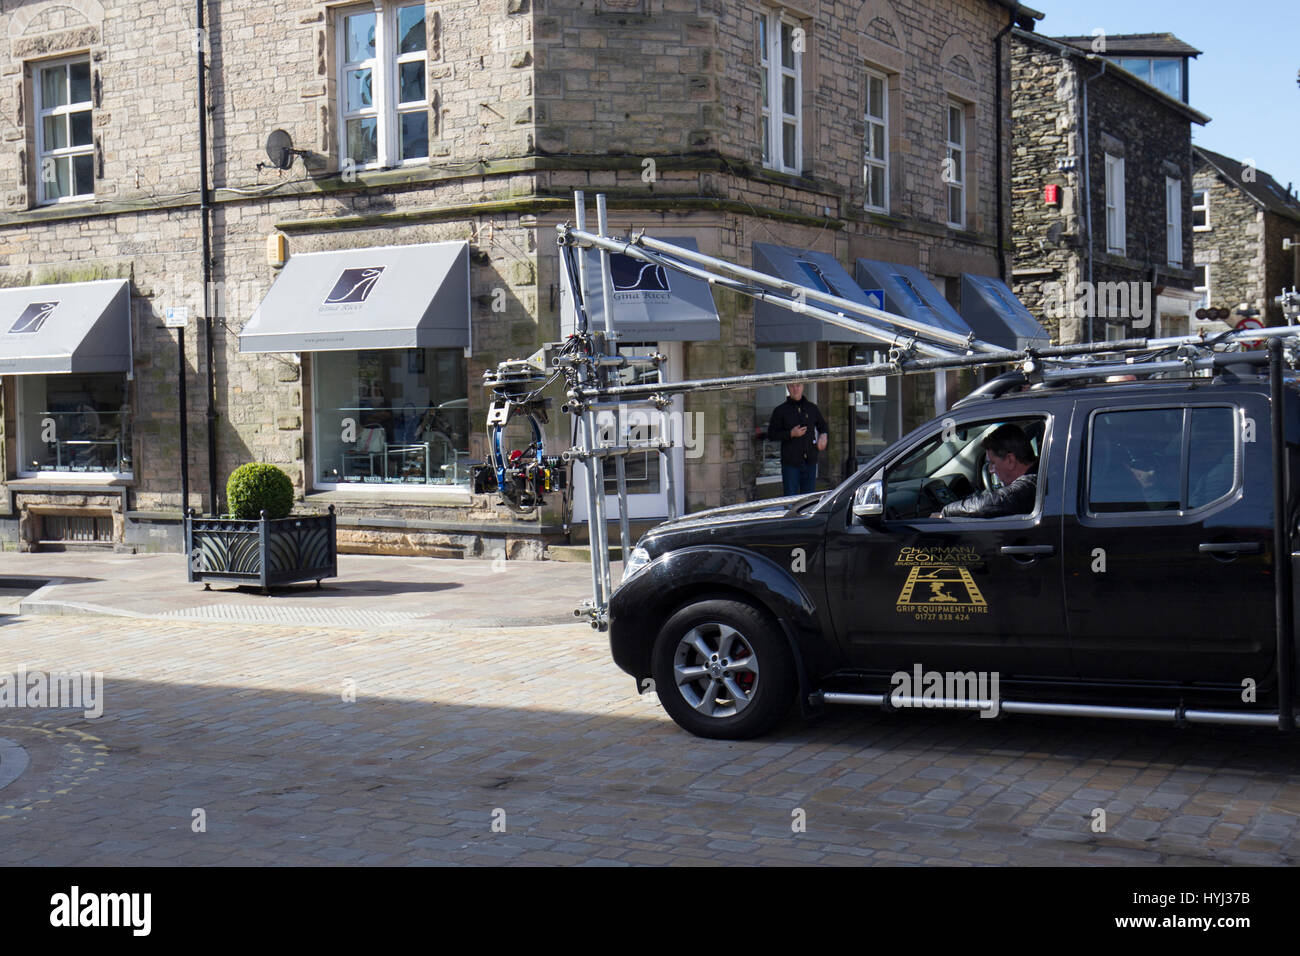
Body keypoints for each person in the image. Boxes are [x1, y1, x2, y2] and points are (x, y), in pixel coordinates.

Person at [936, 423, 1037, 518]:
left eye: (993, 463)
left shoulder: (1030, 485)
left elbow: (996, 502)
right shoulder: (1040, 474)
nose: (990, 470)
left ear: (1010, 460)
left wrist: (946, 512)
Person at [768, 382, 828, 495]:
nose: (795, 389)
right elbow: (772, 434)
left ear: (803, 387)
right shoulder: (780, 410)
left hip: (810, 462)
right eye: (792, 386)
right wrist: (791, 434)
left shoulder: (812, 408)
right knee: (790, 500)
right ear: (787, 388)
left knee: (808, 500)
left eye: (798, 385)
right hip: (791, 464)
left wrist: (823, 436)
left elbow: (823, 426)